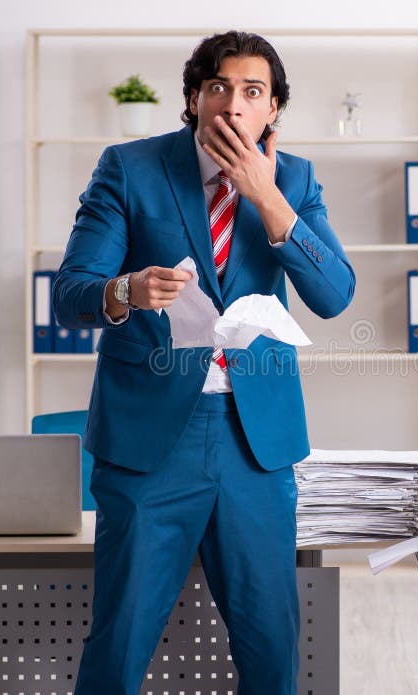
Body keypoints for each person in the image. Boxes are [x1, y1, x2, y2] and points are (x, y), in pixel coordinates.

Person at [52, 30, 356, 695]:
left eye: (253, 92)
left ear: (272, 109)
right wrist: (126, 290)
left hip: (256, 445)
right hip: (151, 444)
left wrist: (267, 198)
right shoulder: (130, 167)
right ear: (194, 98)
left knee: (272, 650)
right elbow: (70, 292)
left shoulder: (295, 178)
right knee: (119, 645)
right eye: (218, 87)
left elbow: (335, 295)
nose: (233, 105)